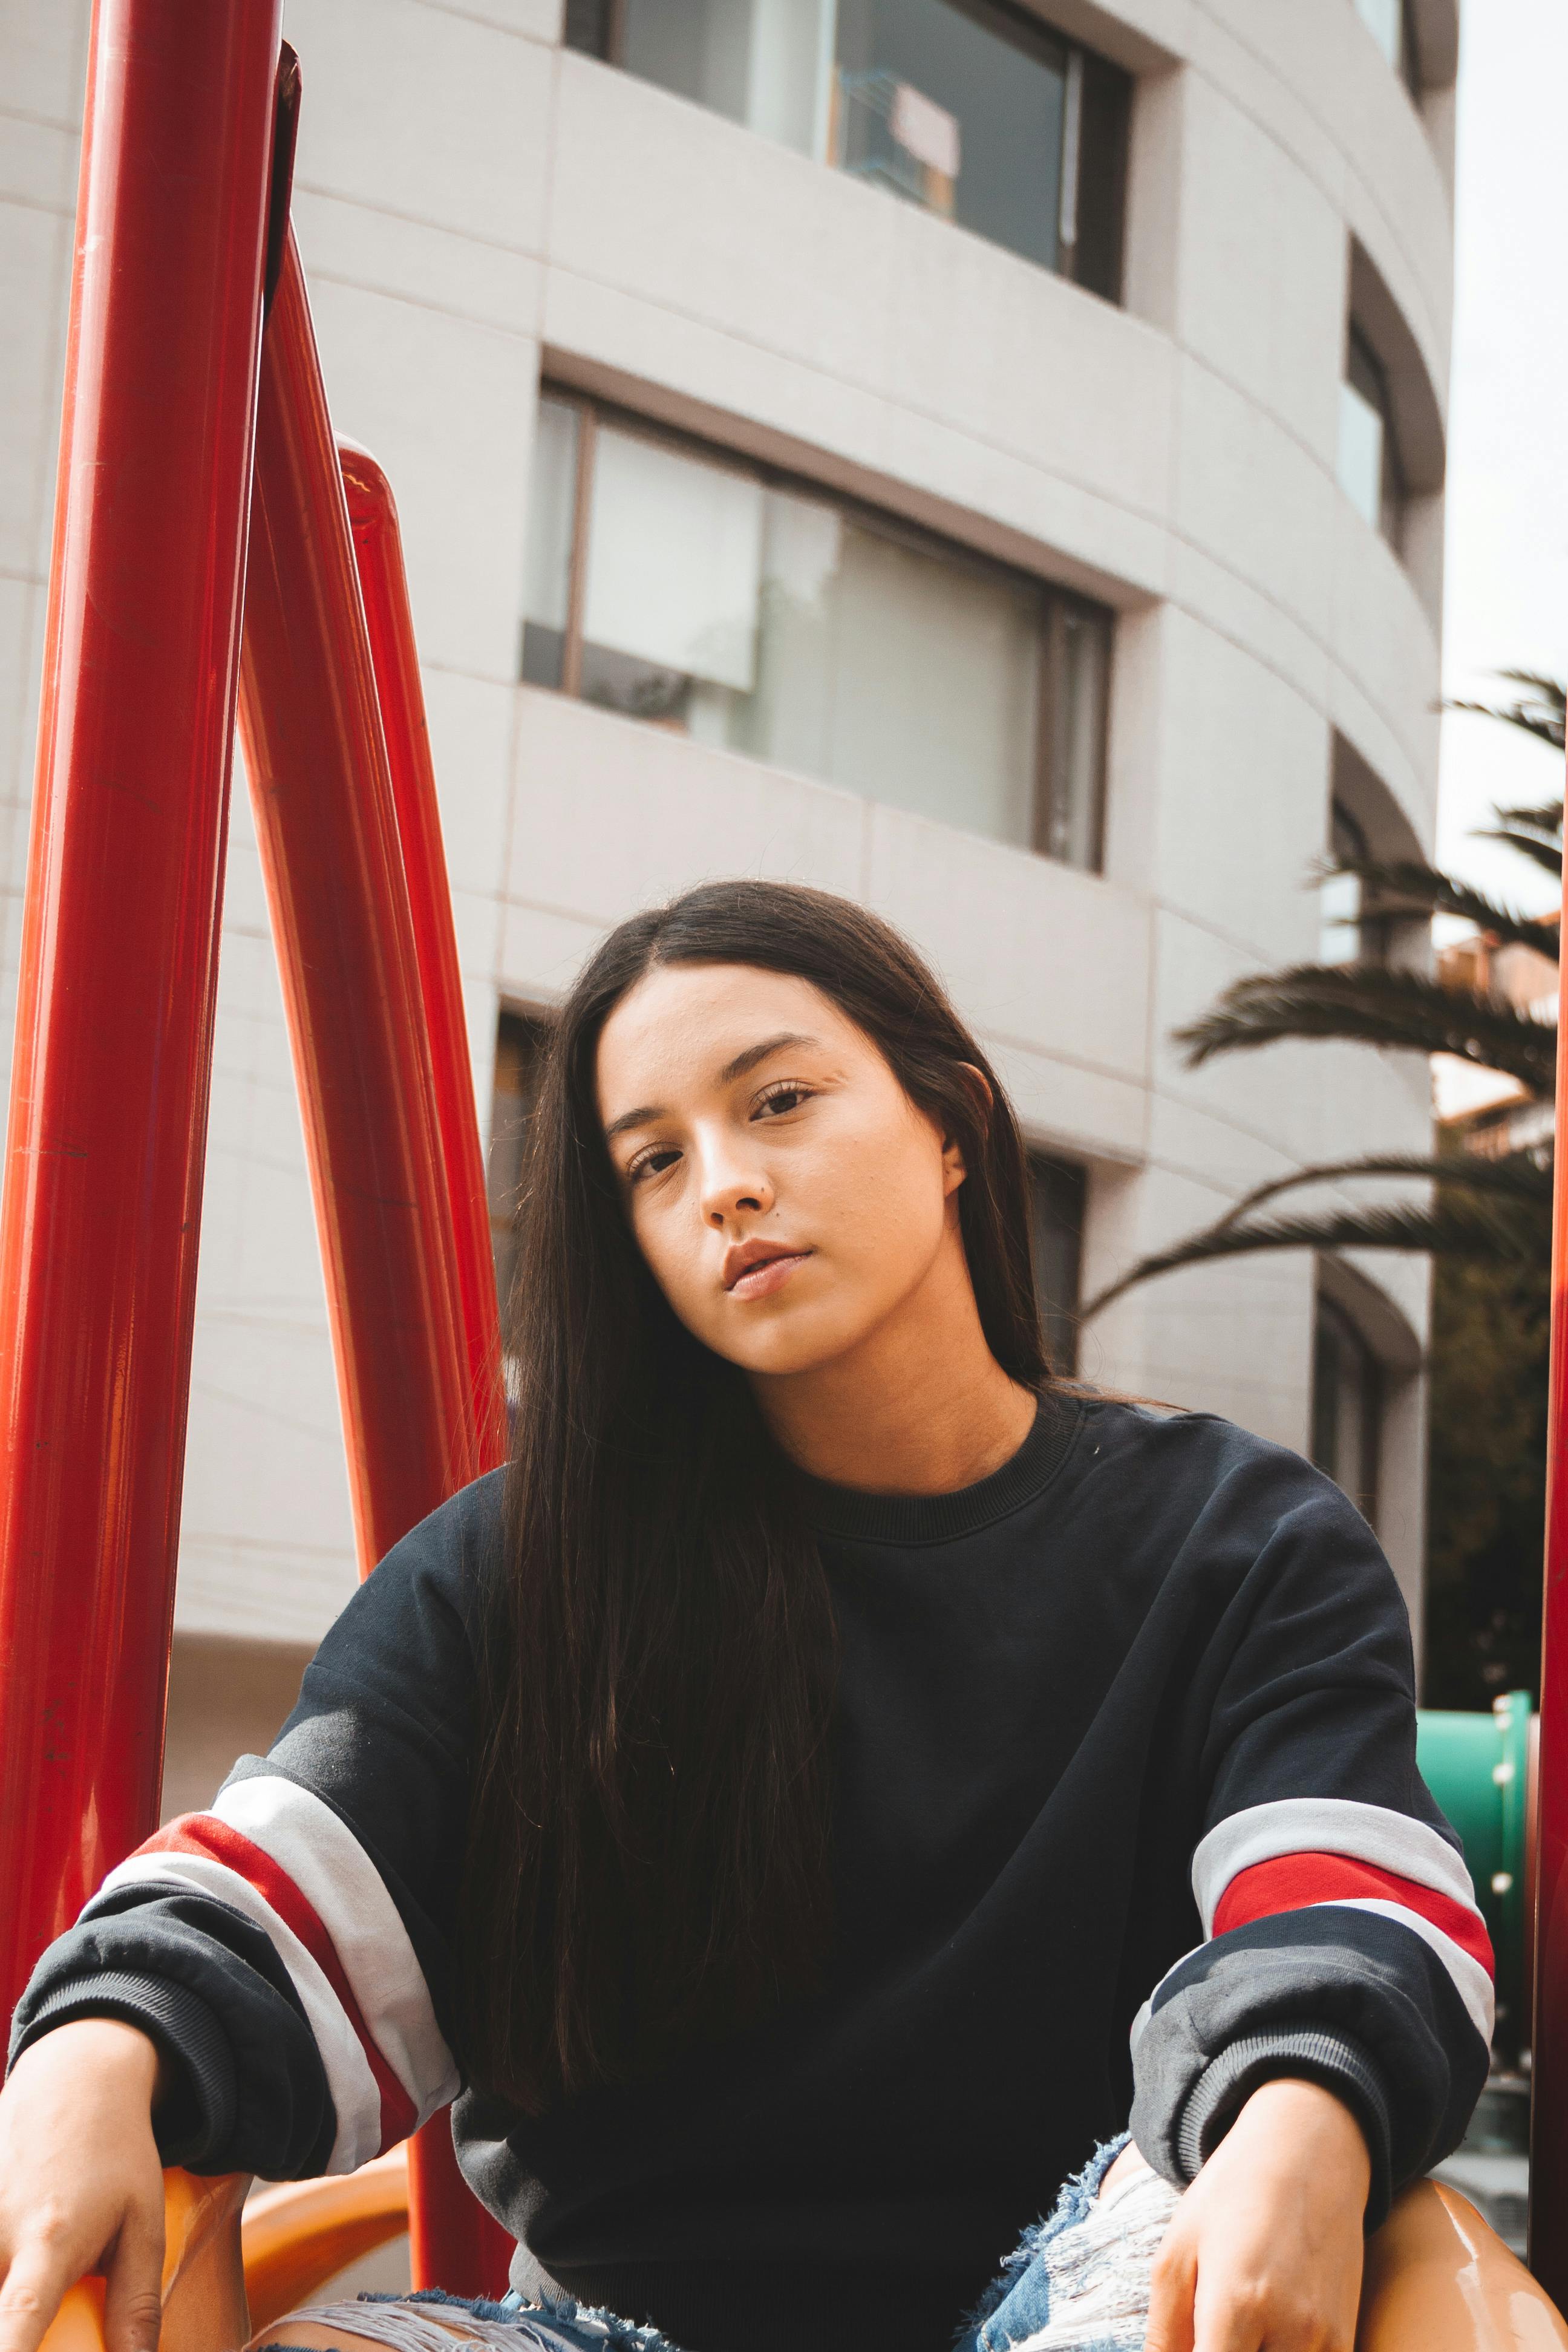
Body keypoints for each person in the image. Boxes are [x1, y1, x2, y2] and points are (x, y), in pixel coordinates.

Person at [0, 881, 1491, 2352]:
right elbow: (288, 1899)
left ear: (953, 1124)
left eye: (776, 1101)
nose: (722, 1183)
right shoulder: (532, 1573)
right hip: (615, 2334)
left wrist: (1301, 2106)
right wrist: (88, 2047)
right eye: (653, 1163)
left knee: (1184, 2225)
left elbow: (1340, 1907)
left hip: (1085, 2286)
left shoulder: (1237, 1543)